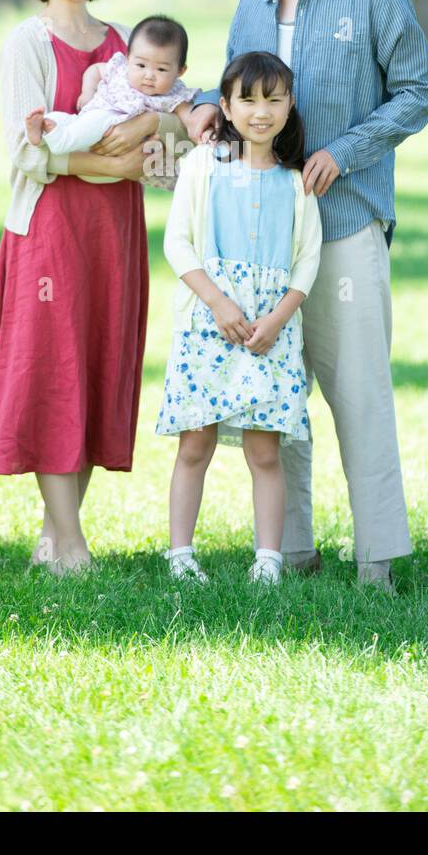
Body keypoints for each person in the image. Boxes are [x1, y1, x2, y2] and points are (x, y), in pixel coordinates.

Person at [187, 0, 428, 593]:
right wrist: (200, 97)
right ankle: (289, 550)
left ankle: (378, 561)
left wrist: (347, 150)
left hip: (344, 222)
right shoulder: (248, 7)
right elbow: (240, 86)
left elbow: (417, 90)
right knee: (272, 394)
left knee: (358, 389)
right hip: (260, 235)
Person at [0, 0, 193, 575]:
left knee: (95, 367)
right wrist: (106, 162)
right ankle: (69, 544)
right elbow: (24, 151)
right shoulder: (26, 44)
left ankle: (56, 533)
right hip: (49, 233)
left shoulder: (128, 41)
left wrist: (154, 133)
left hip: (114, 233)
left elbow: (177, 121)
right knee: (51, 370)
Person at [156, 52, 323, 585]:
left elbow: (308, 261)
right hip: (209, 324)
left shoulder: (297, 179)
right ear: (224, 106)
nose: (260, 111)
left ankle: (268, 562)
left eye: (273, 99)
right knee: (196, 442)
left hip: (271, 333)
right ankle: (181, 556)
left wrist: (276, 319)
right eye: (247, 100)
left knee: (264, 448)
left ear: (290, 105)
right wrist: (218, 303)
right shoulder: (204, 165)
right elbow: (177, 243)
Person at [26, 15, 198, 162]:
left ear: (180, 71)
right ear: (128, 57)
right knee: (67, 121)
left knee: (89, 125)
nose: (149, 75)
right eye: (141, 65)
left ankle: (59, 141)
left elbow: (189, 117)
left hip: (115, 127)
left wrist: (201, 130)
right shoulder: (120, 68)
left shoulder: (174, 95)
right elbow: (95, 70)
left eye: (161, 69)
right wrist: (88, 92)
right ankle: (41, 132)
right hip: (98, 116)